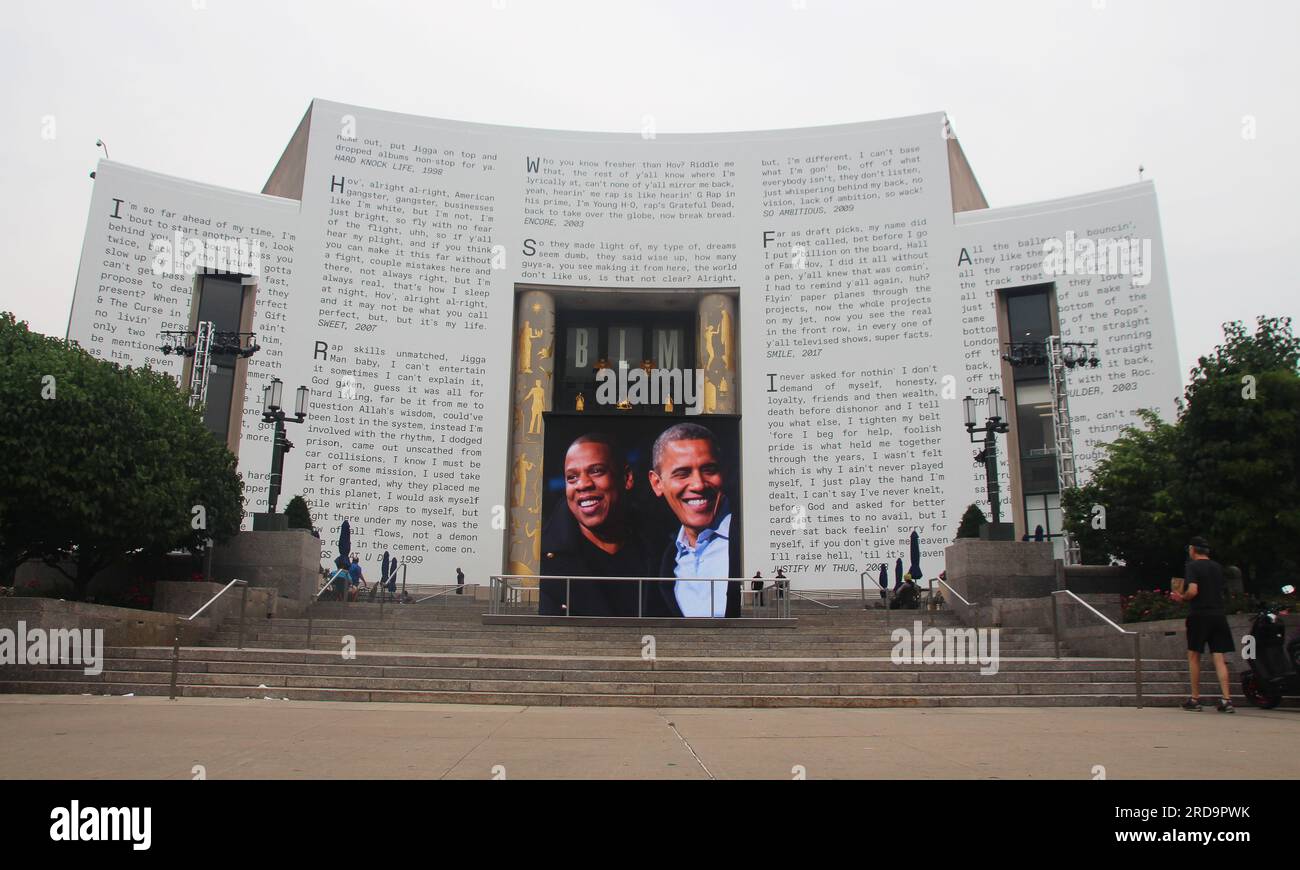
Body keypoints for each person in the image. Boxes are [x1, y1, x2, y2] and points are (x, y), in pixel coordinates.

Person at [538, 434, 654, 616]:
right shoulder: (543, 561)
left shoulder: (662, 548)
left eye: (596, 471)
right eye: (572, 477)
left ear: (627, 478)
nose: (583, 484)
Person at [644, 423, 741, 618]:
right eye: (682, 474)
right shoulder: (661, 562)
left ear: (726, 472)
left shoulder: (750, 539)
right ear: (657, 483)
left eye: (709, 470)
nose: (698, 484)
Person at [1170, 536, 1236, 713]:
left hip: (1199, 614)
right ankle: (1226, 699)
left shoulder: (1192, 566)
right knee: (1219, 656)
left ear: (1192, 550)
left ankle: (1195, 698)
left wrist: (1181, 598)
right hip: (1218, 614)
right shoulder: (1217, 567)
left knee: (1194, 655)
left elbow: (1193, 590)